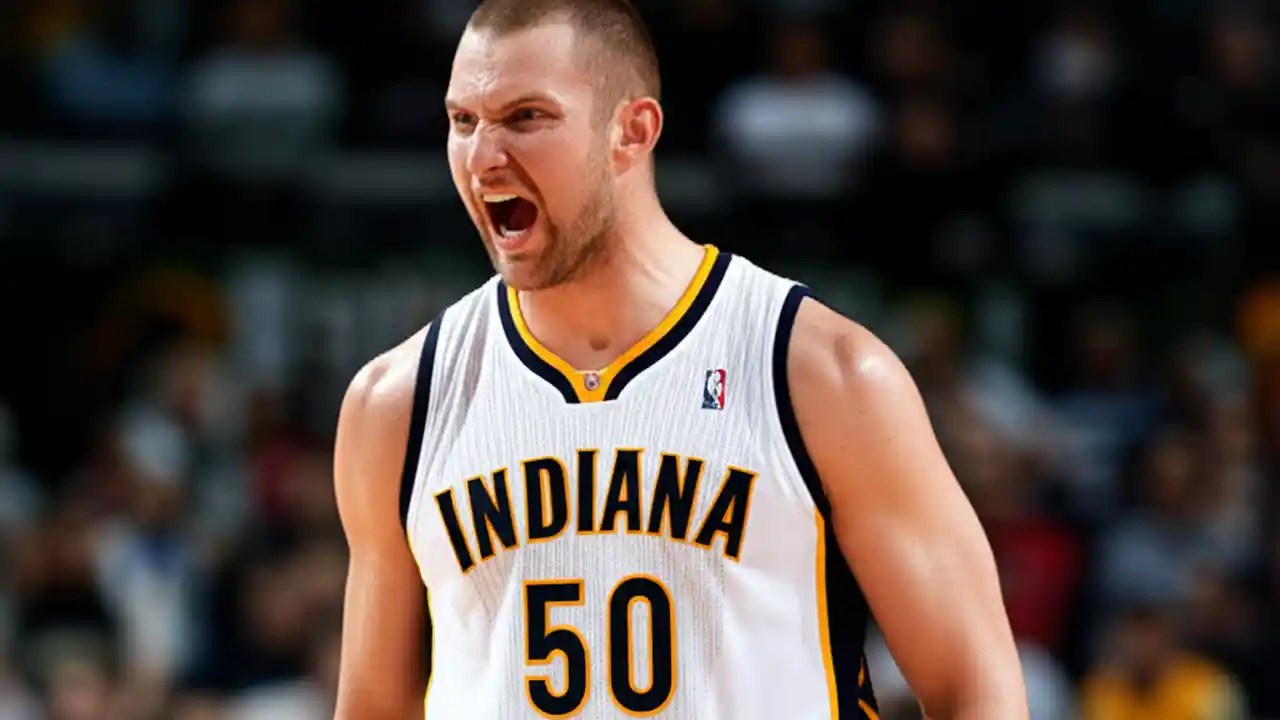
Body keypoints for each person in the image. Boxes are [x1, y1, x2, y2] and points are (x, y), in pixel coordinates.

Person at [332, 1, 1026, 718]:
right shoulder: (398, 403)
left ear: (632, 132)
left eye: (526, 117)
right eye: (464, 121)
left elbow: (974, 687)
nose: (483, 158)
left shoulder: (820, 373)